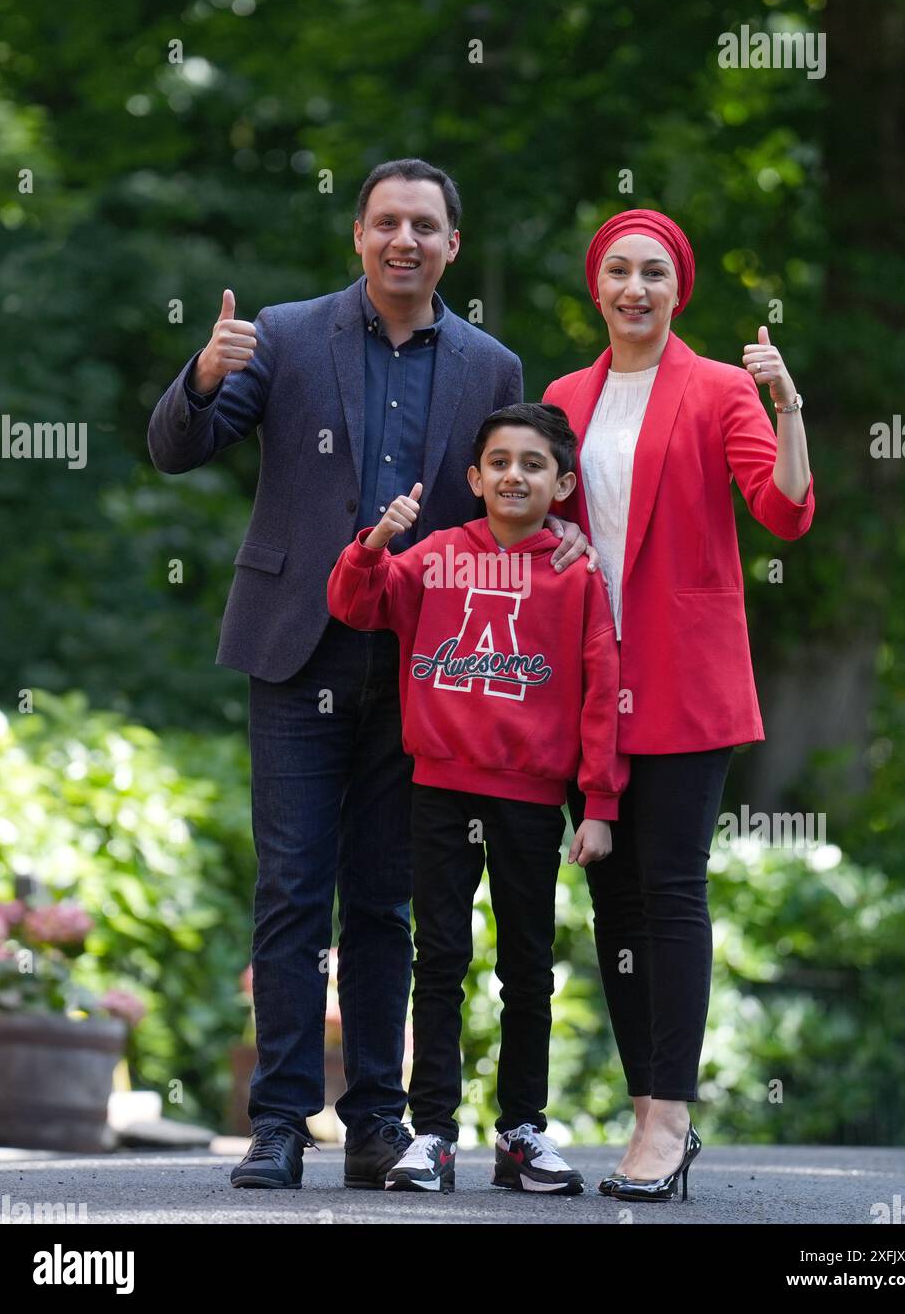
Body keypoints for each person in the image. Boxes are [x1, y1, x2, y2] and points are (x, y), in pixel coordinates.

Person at [147, 159, 593, 1191]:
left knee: (387, 901)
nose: (404, 240)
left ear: (451, 247)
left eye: (424, 227)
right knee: (292, 887)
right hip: (294, 643)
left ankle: (379, 1124)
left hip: (427, 666)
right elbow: (177, 448)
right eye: (386, 222)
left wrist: (564, 544)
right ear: (358, 236)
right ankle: (278, 1123)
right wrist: (204, 375)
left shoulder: (491, 365)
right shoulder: (288, 332)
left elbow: (515, 492)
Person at [543, 208, 815, 1202]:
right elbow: (538, 515)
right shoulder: (564, 395)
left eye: (652, 272)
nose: (634, 288)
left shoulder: (716, 388)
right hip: (586, 679)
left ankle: (668, 1114)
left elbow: (784, 509)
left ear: (678, 286)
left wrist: (785, 405)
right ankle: (641, 1103)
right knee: (611, 898)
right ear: (597, 284)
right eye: (617, 270)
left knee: (668, 892)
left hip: (686, 675)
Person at [327, 402, 629, 1194]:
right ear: (475, 477)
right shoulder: (434, 558)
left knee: (528, 968)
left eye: (533, 464)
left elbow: (602, 690)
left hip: (531, 797)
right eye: (499, 462)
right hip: (440, 788)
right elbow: (355, 603)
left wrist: (598, 802)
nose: (513, 476)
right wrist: (376, 542)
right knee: (440, 963)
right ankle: (432, 1134)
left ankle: (522, 1132)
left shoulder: (574, 571)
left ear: (561, 484)